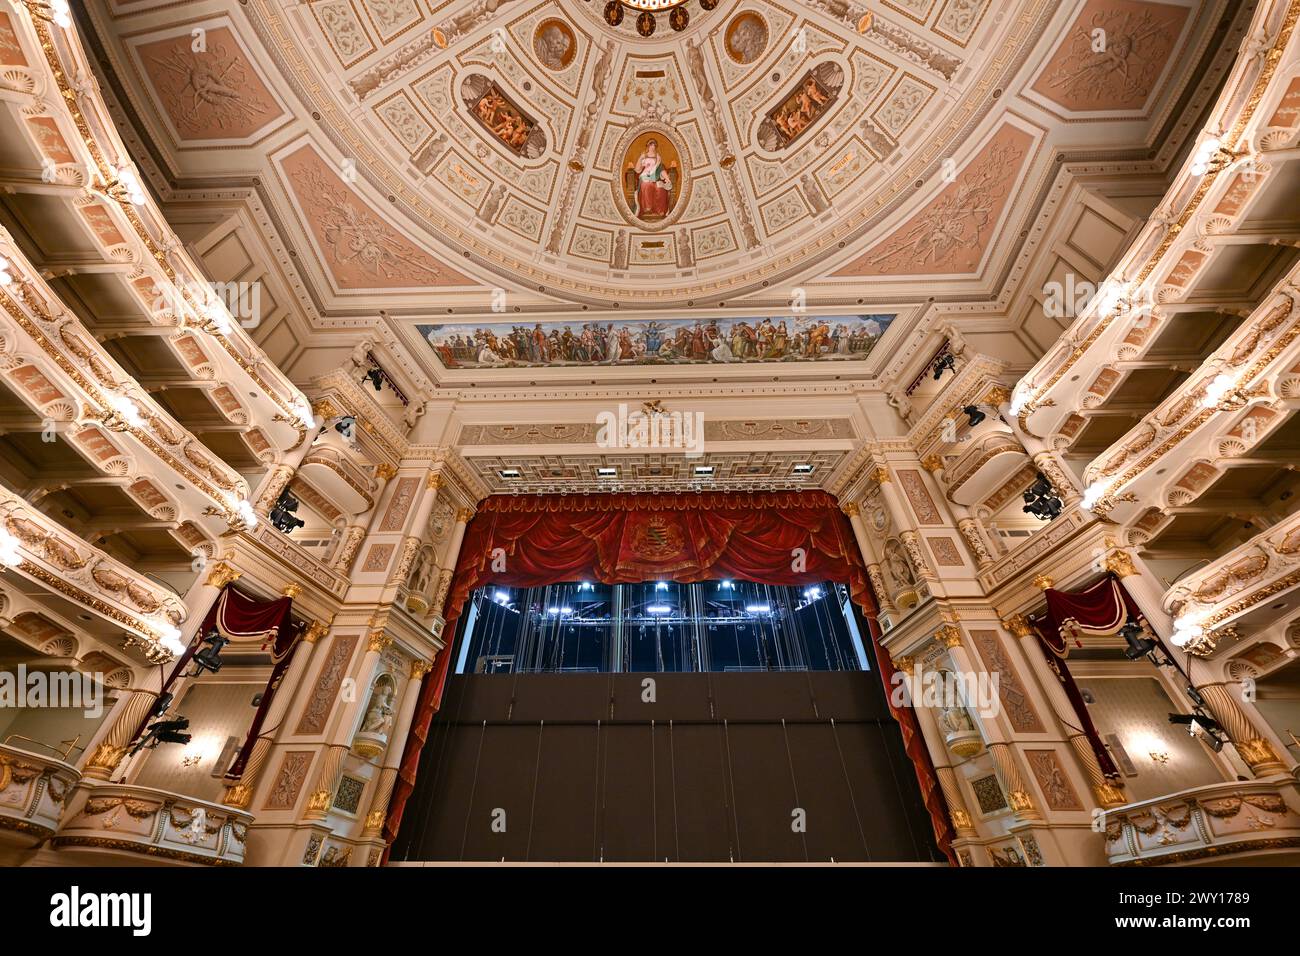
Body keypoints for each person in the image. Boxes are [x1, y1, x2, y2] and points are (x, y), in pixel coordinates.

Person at [629, 139, 673, 219]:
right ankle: (647, 208)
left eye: (654, 145)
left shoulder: (657, 157)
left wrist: (667, 179)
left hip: (655, 178)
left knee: (660, 189)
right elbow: (637, 169)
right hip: (645, 177)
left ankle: (660, 210)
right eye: (651, 145)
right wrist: (640, 158)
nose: (652, 147)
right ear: (648, 146)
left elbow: (661, 169)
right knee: (647, 185)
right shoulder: (644, 156)